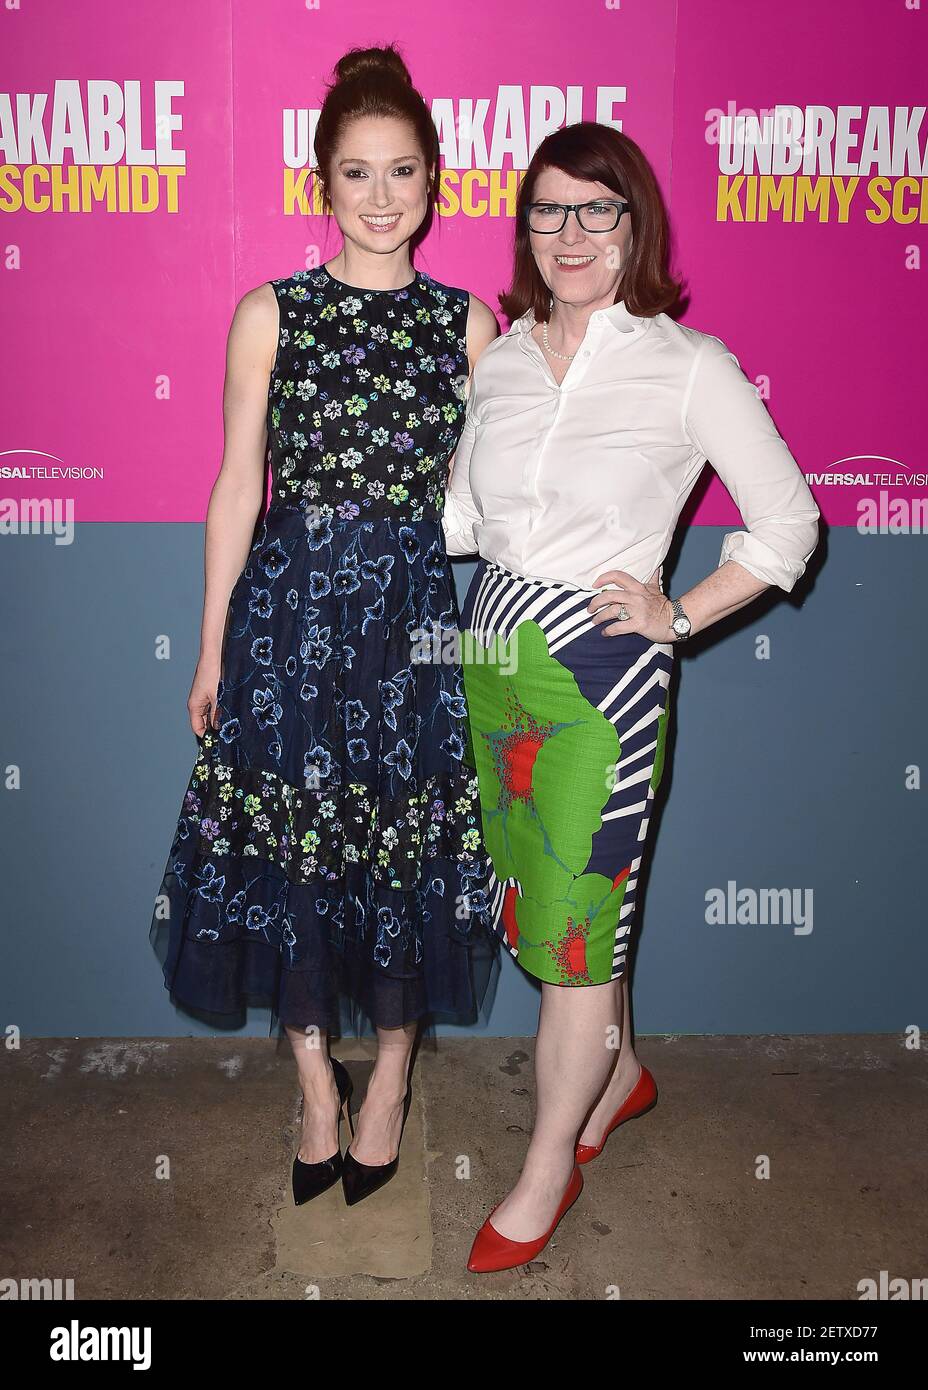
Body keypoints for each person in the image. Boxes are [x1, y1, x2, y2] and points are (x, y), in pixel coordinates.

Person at [442, 120, 820, 1271]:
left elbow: (788, 523)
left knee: (574, 928)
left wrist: (681, 612)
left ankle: (548, 1163)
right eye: (547, 209)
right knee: (570, 918)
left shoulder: (685, 362)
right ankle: (623, 1070)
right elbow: (461, 520)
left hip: (601, 687)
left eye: (595, 210)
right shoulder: (499, 359)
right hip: (494, 672)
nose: (569, 232)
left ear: (633, 224)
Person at [150, 44, 500, 1210]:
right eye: (357, 173)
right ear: (321, 183)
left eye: (404, 172)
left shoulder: (468, 326)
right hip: (285, 627)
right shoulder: (270, 313)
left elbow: (489, 504)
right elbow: (235, 487)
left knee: (398, 861)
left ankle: (391, 1076)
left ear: (435, 181)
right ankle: (312, 1085)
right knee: (294, 864)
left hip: (409, 633)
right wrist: (209, 648)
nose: (383, 196)